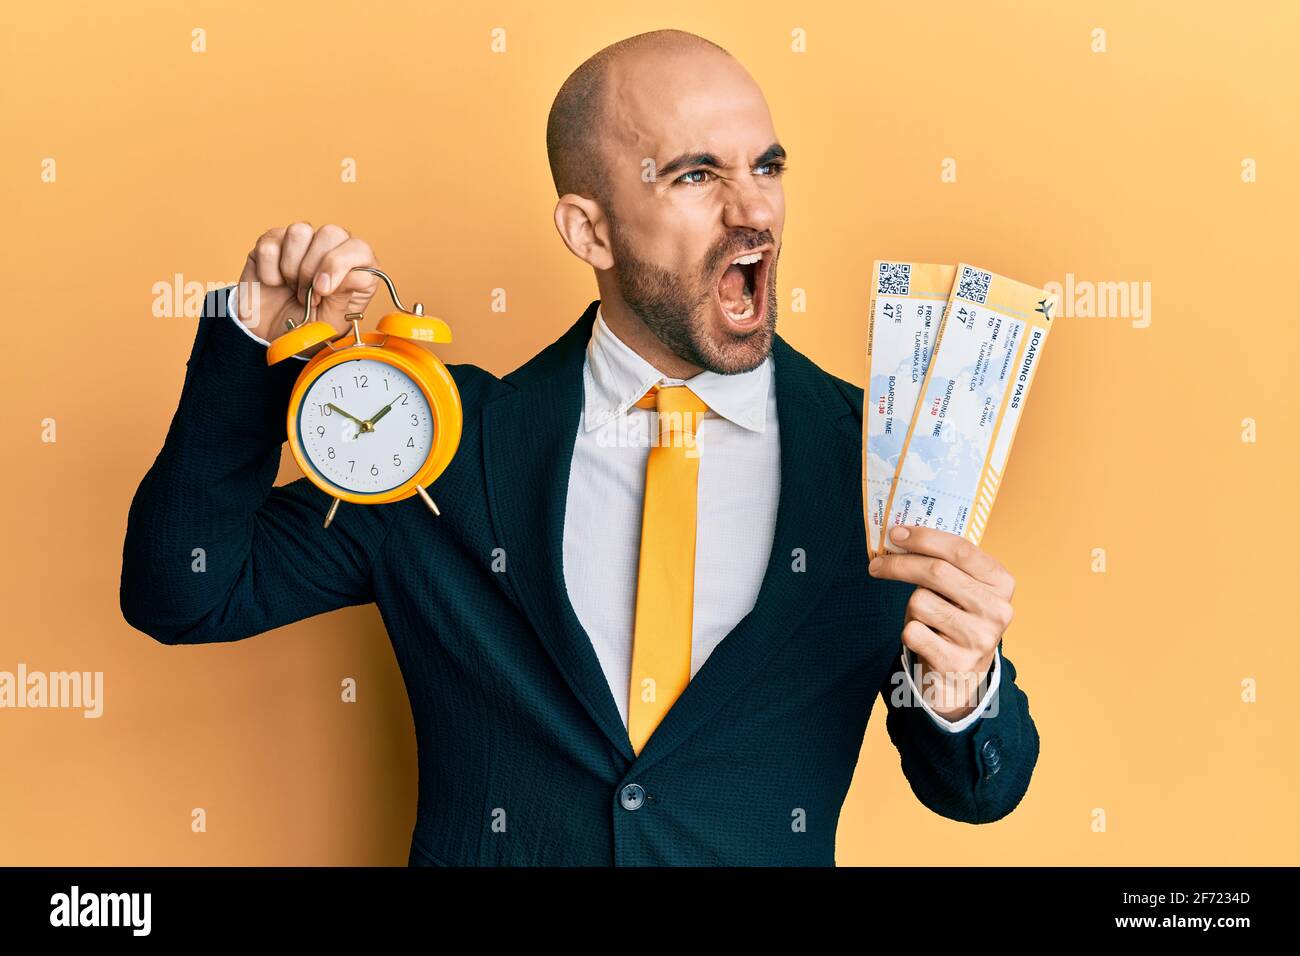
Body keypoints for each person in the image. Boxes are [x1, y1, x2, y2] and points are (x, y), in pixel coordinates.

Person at [120, 29, 1038, 866]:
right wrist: (252, 345)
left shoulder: (875, 459)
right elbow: (186, 591)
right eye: (695, 176)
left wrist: (959, 692)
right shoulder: (438, 445)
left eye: (766, 165)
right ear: (588, 229)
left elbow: (978, 789)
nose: (752, 208)